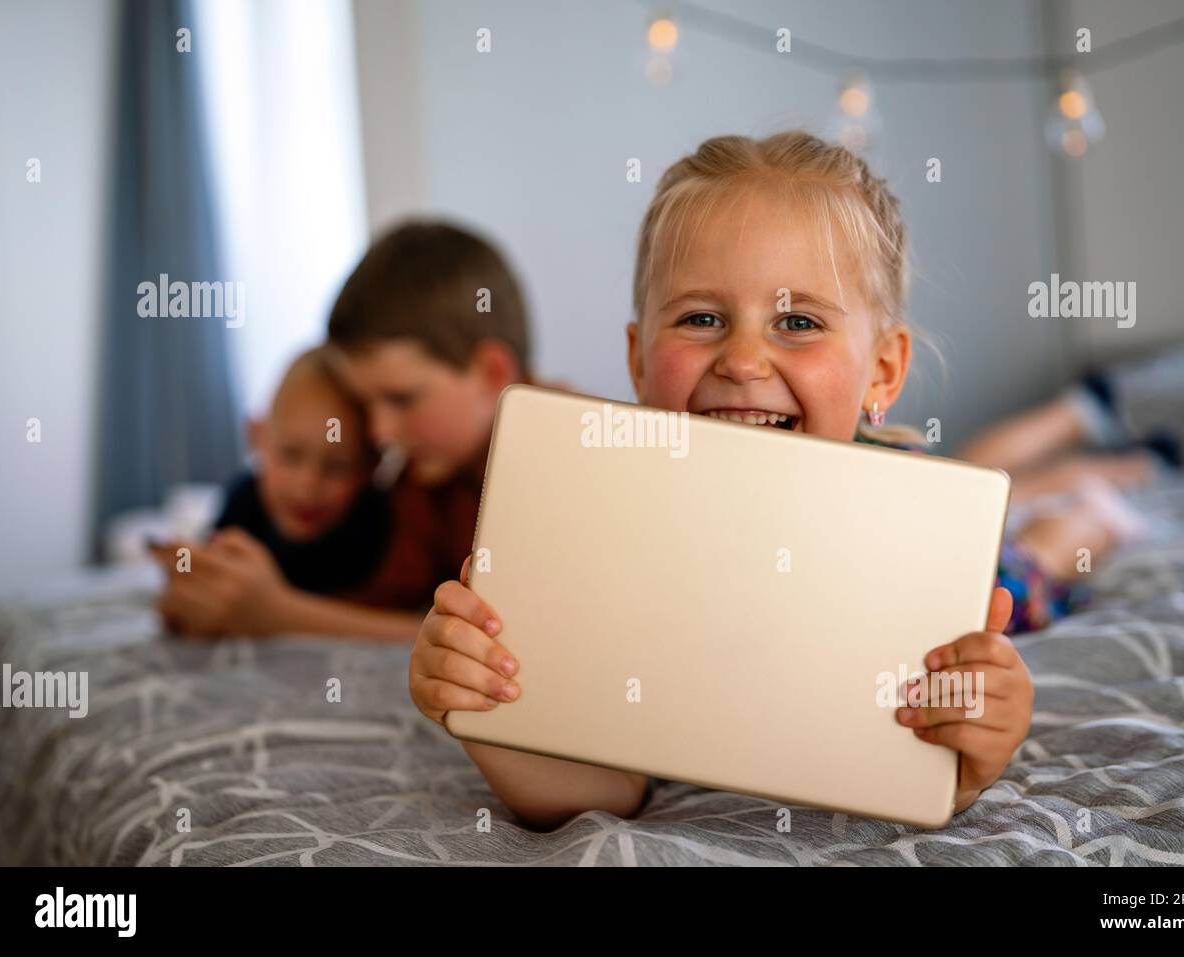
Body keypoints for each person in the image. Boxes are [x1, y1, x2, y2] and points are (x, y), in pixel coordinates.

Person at [408, 131, 1051, 827]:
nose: (743, 360)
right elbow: (609, 784)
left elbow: (922, 757)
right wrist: (485, 712)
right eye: (702, 318)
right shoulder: (601, 523)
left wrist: (968, 756)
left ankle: (1089, 502)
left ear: (883, 371)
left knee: (1038, 551)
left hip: (982, 549)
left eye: (797, 321)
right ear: (638, 359)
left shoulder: (920, 542)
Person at [156, 221, 538, 640]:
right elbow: (385, 605)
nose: (379, 432)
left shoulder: (567, 467)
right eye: (367, 404)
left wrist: (280, 614)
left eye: (401, 399)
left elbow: (512, 639)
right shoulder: (421, 484)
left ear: (491, 372)